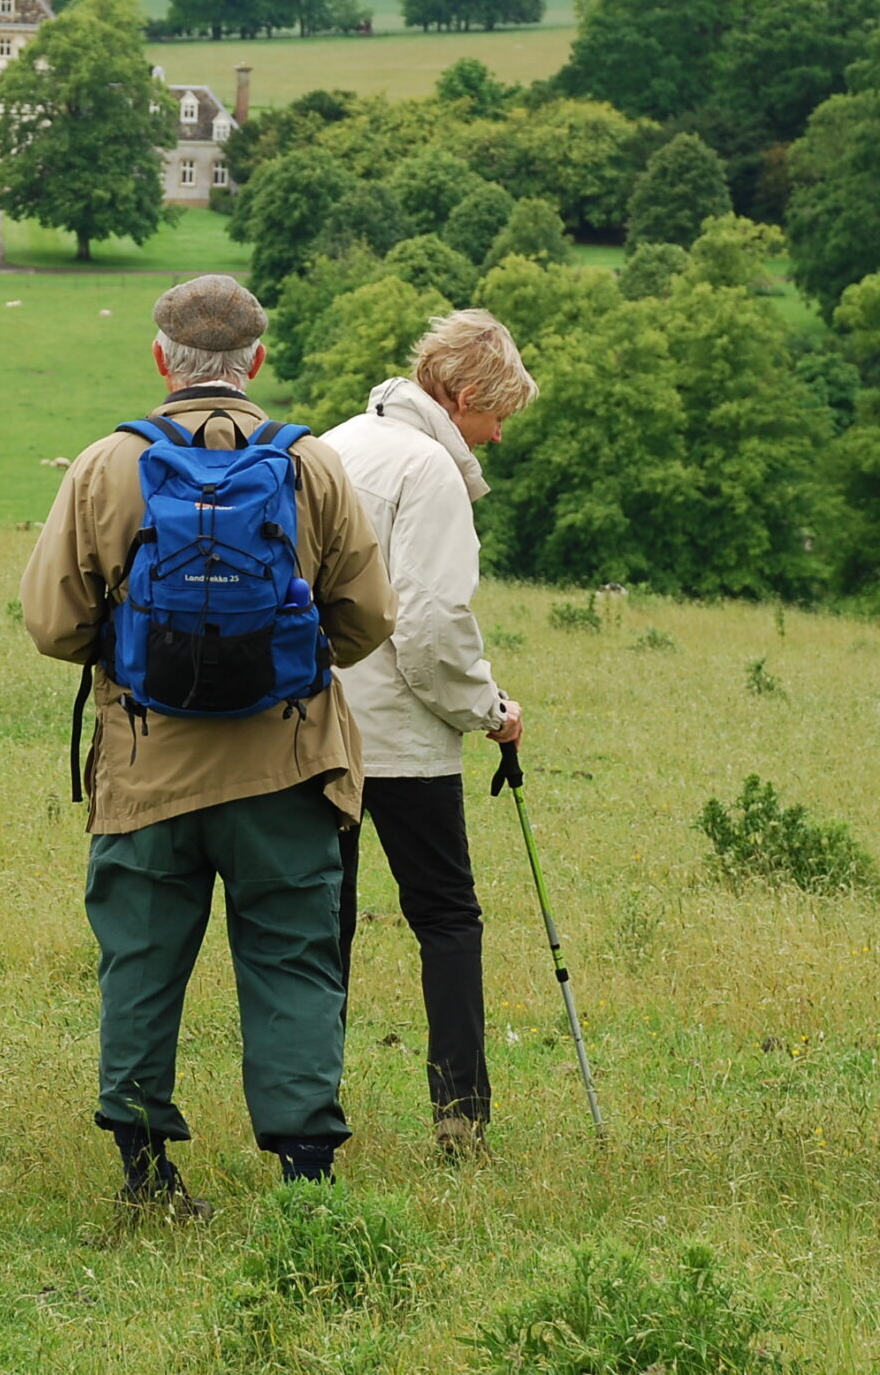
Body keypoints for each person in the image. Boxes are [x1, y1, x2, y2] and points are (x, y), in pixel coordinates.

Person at [22, 274, 396, 1213]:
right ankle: (307, 1176)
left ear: (163, 359)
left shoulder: (107, 465)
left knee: (140, 964)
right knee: (294, 961)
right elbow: (368, 620)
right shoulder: (311, 465)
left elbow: (52, 626)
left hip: (148, 772)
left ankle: (147, 1173)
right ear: (254, 362)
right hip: (288, 766)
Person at [321, 311, 536, 1159]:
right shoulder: (431, 470)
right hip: (402, 739)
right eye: (497, 416)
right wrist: (490, 710)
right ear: (462, 394)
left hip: (312, 730)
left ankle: (309, 1112)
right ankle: (461, 1115)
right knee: (447, 917)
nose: (496, 435)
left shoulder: (333, 444)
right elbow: (431, 624)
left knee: (320, 921)